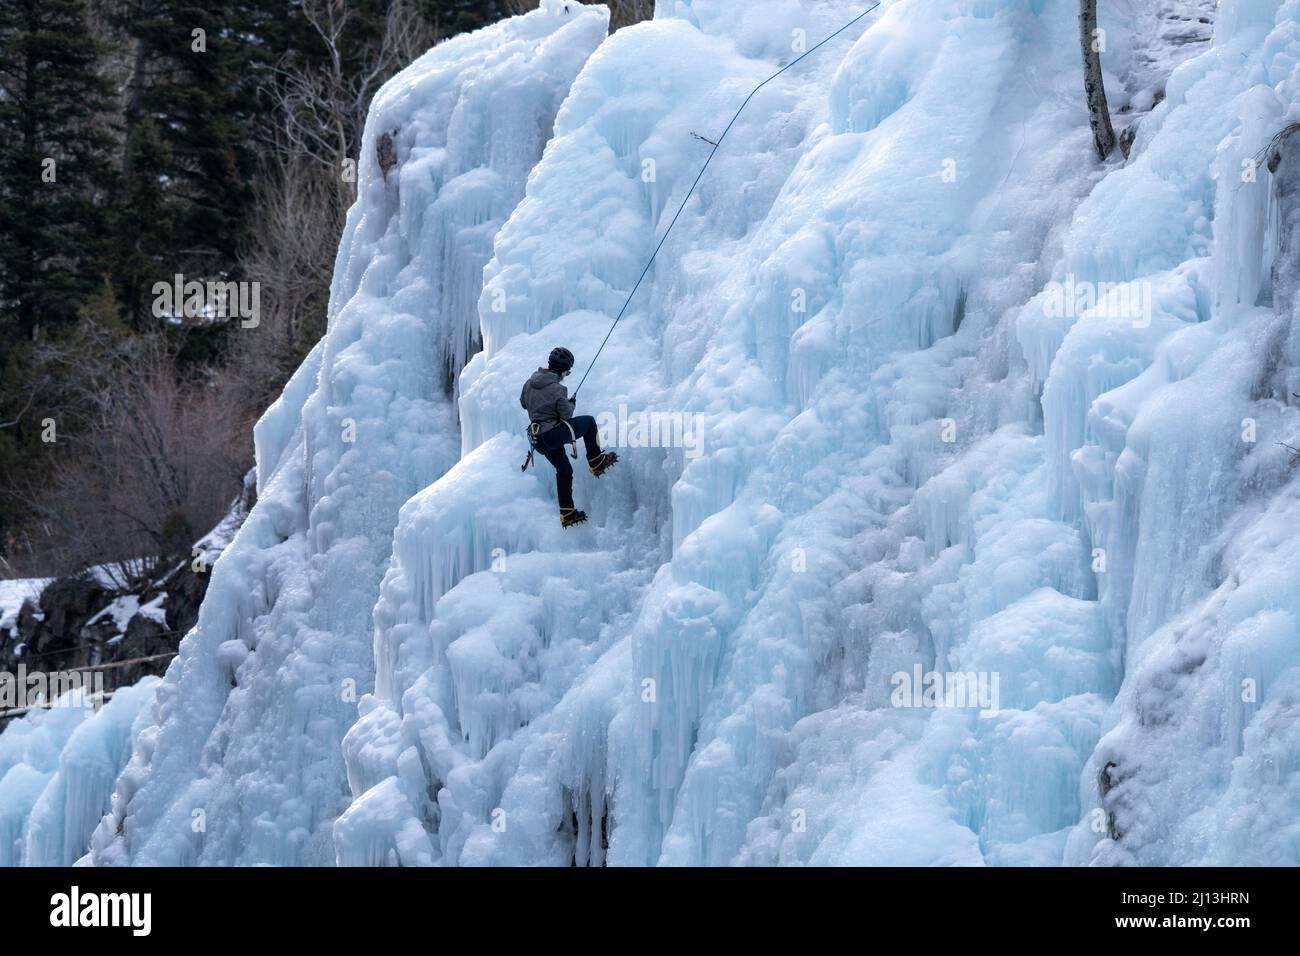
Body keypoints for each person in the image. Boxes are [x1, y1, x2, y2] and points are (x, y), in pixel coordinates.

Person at [520, 347, 618, 527]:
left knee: (564, 469)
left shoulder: (529, 383)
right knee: (589, 422)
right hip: (552, 434)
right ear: (563, 371)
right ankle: (596, 462)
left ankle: (567, 513)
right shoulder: (558, 389)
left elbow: (523, 404)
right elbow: (566, 416)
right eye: (568, 372)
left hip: (538, 440)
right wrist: (570, 404)